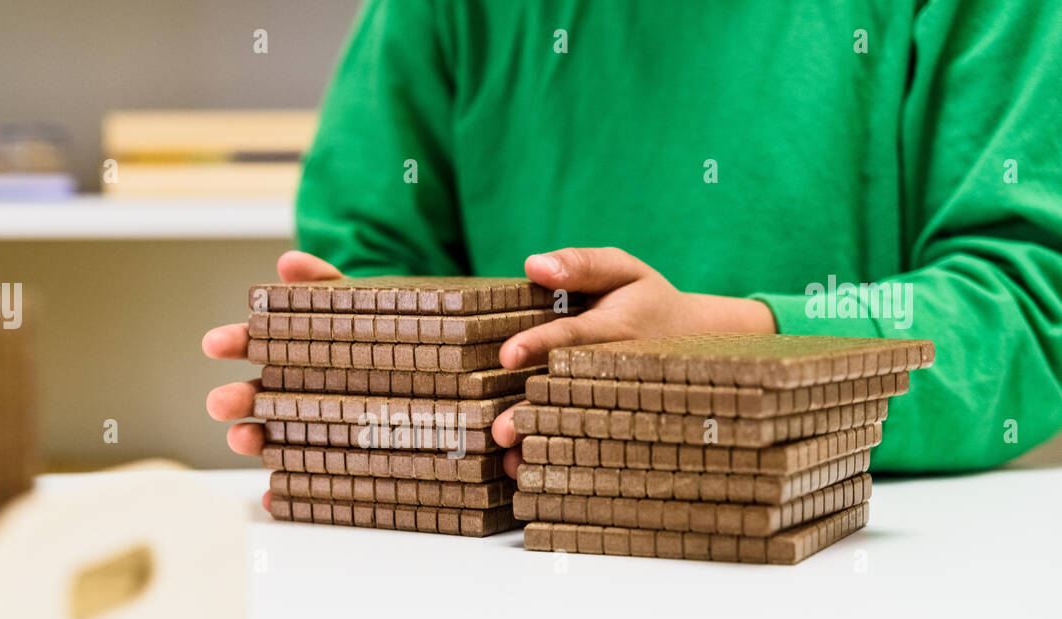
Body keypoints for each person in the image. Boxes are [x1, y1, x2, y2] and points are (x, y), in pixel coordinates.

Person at [205, 0, 1062, 506]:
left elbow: (1024, 309)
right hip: (507, 598)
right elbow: (373, 253)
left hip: (861, 584)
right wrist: (367, 367)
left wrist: (721, 345)